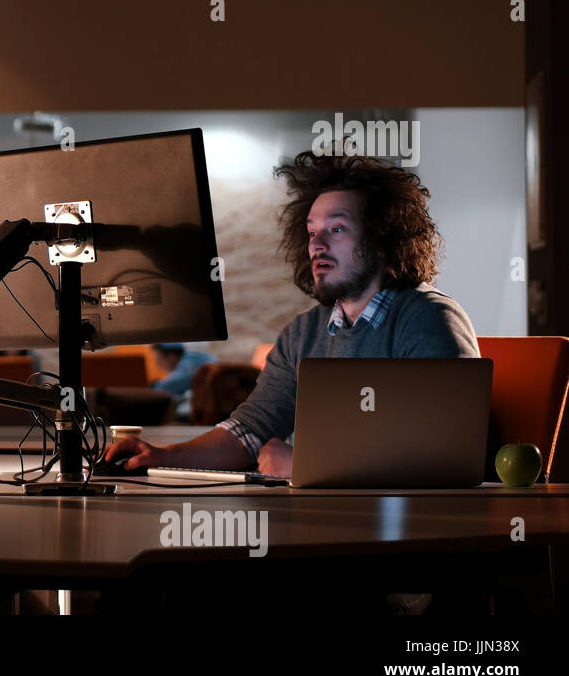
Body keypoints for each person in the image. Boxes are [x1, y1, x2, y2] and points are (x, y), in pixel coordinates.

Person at [104, 150, 479, 477]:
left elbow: (443, 451)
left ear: (383, 238)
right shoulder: (303, 333)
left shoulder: (428, 319)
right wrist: (163, 456)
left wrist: (305, 465)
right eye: (312, 230)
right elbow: (250, 431)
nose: (317, 244)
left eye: (337, 228)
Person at [149, 343, 215, 421]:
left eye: (158, 359)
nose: (158, 365)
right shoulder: (198, 357)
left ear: (171, 357)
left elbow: (164, 387)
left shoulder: (189, 363)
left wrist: (150, 387)